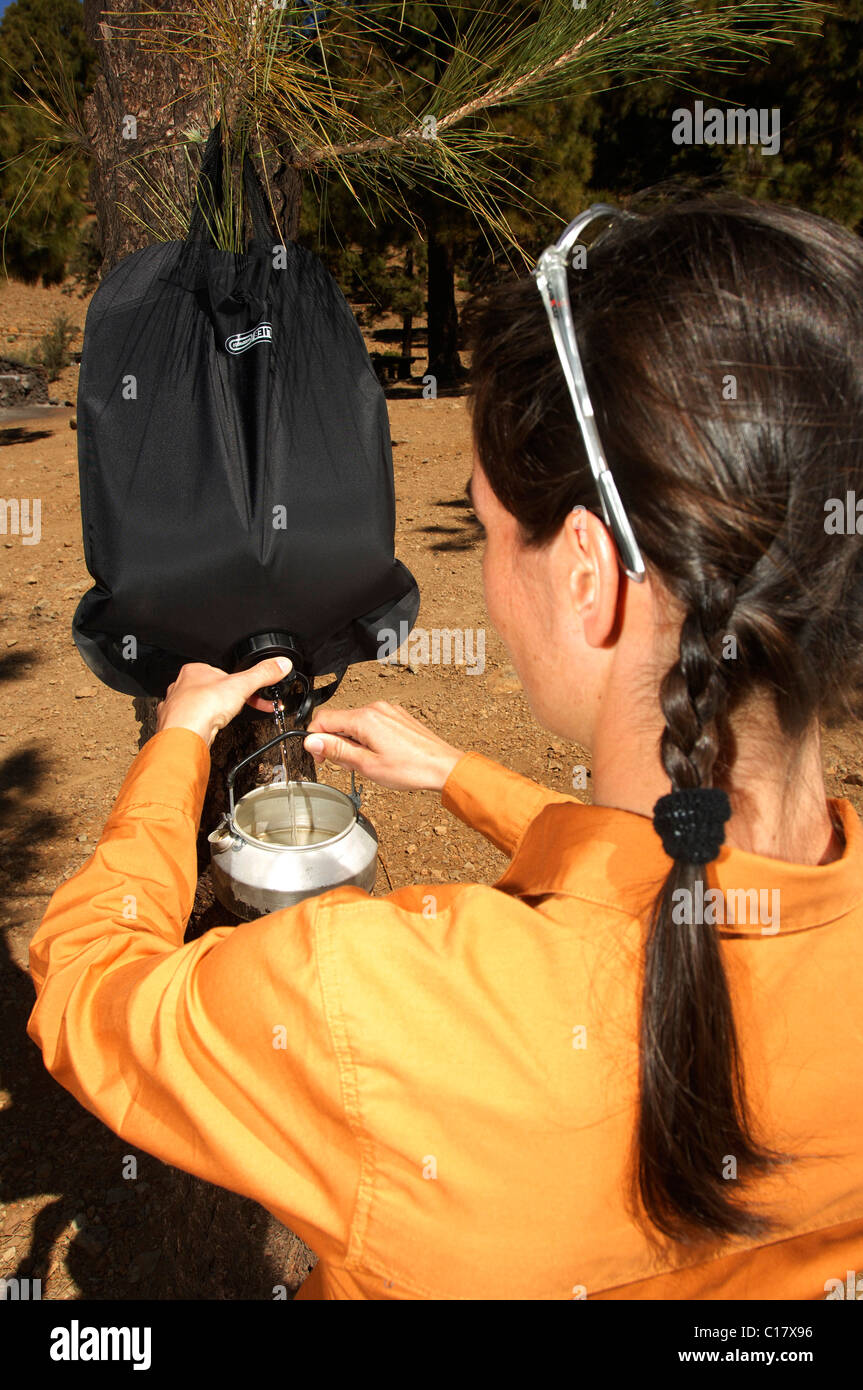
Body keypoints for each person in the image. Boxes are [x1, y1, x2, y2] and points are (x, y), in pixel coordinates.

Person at [27, 192, 863, 1300]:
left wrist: (178, 741)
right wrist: (462, 779)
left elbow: (85, 985)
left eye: (481, 523)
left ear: (583, 574)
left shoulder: (367, 1008)